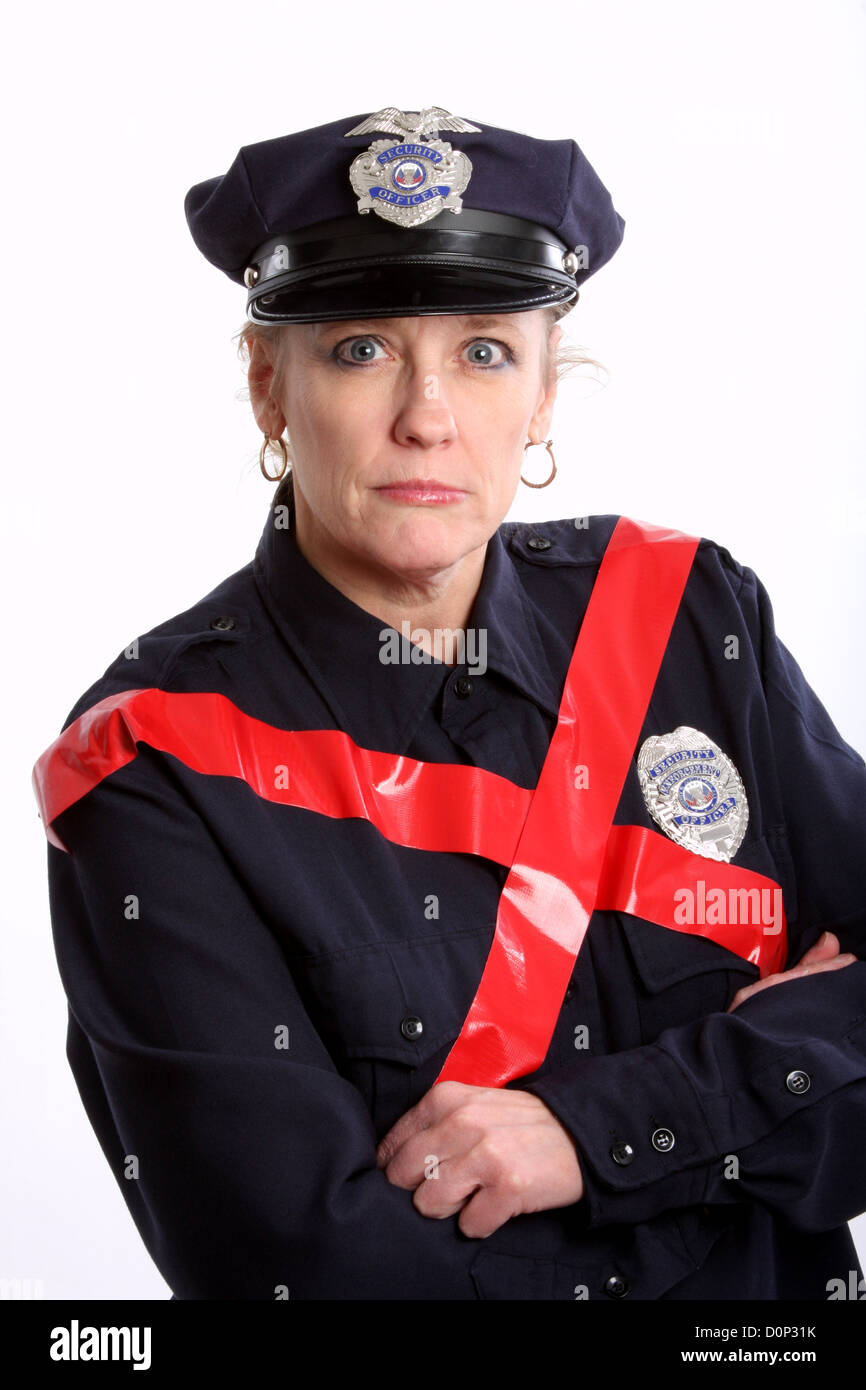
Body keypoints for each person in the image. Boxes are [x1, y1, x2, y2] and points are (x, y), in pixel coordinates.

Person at [33, 106, 866, 1301]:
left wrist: (598, 1131)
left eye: (483, 352)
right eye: (359, 348)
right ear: (268, 385)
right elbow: (301, 1269)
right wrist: (767, 1091)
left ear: (541, 398)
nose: (427, 414)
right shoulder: (153, 756)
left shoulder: (689, 614)